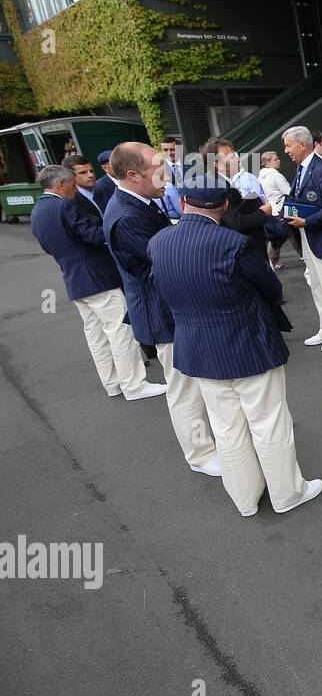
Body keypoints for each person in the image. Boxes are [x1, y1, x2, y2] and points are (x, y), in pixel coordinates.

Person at [149, 171, 322, 518]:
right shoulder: (233, 244)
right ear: (225, 205)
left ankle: (245, 498)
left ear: (183, 203)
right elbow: (271, 289)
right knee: (268, 421)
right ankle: (286, 493)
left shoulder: (159, 242)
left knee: (226, 427)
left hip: (197, 347)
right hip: (247, 344)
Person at [103, 143, 221, 474]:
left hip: (166, 307)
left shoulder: (140, 202)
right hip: (160, 312)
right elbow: (163, 260)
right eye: (157, 170)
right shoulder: (127, 216)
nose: (166, 176)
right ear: (131, 175)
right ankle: (200, 454)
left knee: (191, 382)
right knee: (183, 388)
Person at [29, 164, 161, 401]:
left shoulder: (38, 211)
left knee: (96, 335)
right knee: (119, 330)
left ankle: (112, 383)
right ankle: (134, 385)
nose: (75, 190)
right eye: (72, 185)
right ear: (60, 184)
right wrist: (112, 229)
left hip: (73, 277)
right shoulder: (65, 205)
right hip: (97, 276)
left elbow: (48, 246)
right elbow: (92, 235)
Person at [281, 124, 322, 351]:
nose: (286, 151)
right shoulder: (302, 168)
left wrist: (308, 221)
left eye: (289, 146)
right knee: (316, 285)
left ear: (302, 144)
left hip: (321, 235)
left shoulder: (320, 168)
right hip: (307, 235)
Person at [200, 138, 273, 242]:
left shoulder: (222, 183)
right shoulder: (218, 187)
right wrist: (263, 212)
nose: (238, 159)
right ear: (217, 164)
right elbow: (235, 222)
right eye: (231, 157)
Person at [259, 151, 294, 268]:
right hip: (280, 210)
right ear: (267, 162)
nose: (279, 161)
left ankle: (273, 261)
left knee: (288, 234)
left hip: (271, 211)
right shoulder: (275, 176)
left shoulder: (260, 177)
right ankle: (270, 261)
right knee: (279, 237)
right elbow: (288, 192)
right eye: (275, 159)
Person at [64, 154, 104, 222]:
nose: (90, 175)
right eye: (83, 173)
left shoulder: (101, 191)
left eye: (91, 171)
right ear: (71, 176)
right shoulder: (73, 202)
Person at [159, 138, 186, 218]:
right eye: (165, 150)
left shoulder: (192, 165)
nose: (169, 153)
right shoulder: (158, 170)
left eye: (172, 150)